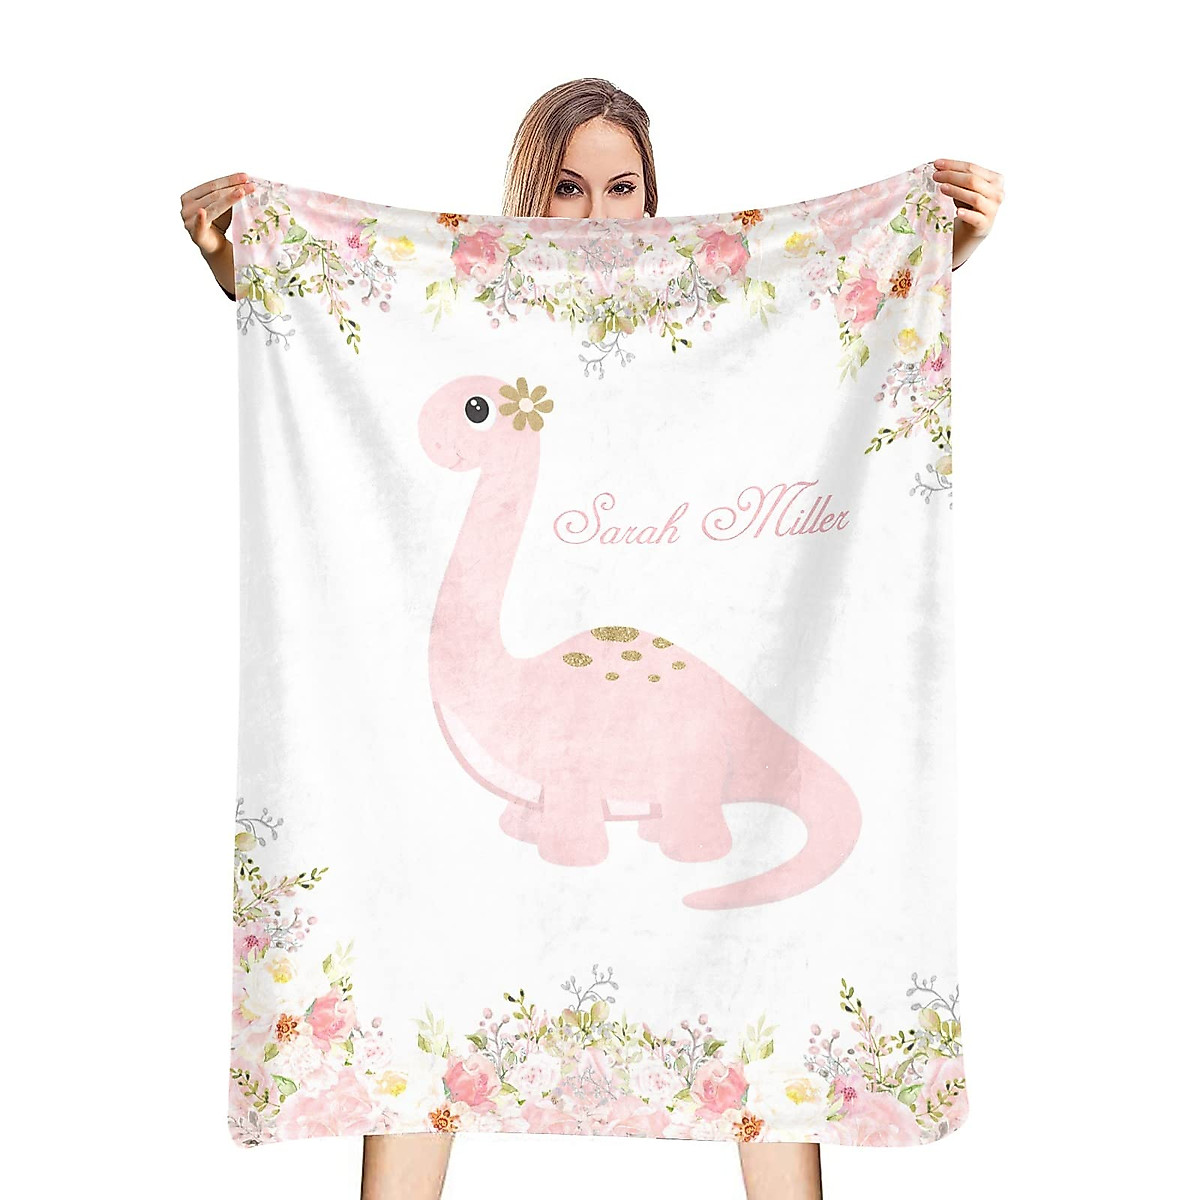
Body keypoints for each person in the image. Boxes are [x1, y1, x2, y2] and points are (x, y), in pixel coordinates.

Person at [184, 77, 1002, 1200]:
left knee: (764, 995)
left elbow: (813, 344)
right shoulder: (464, 316)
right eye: (569, 188)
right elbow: (355, 336)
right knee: (419, 959)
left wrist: (928, 259)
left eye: (624, 187)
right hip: (549, 729)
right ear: (529, 190)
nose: (600, 213)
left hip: (677, 728)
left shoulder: (708, 320)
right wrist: (253, 269)